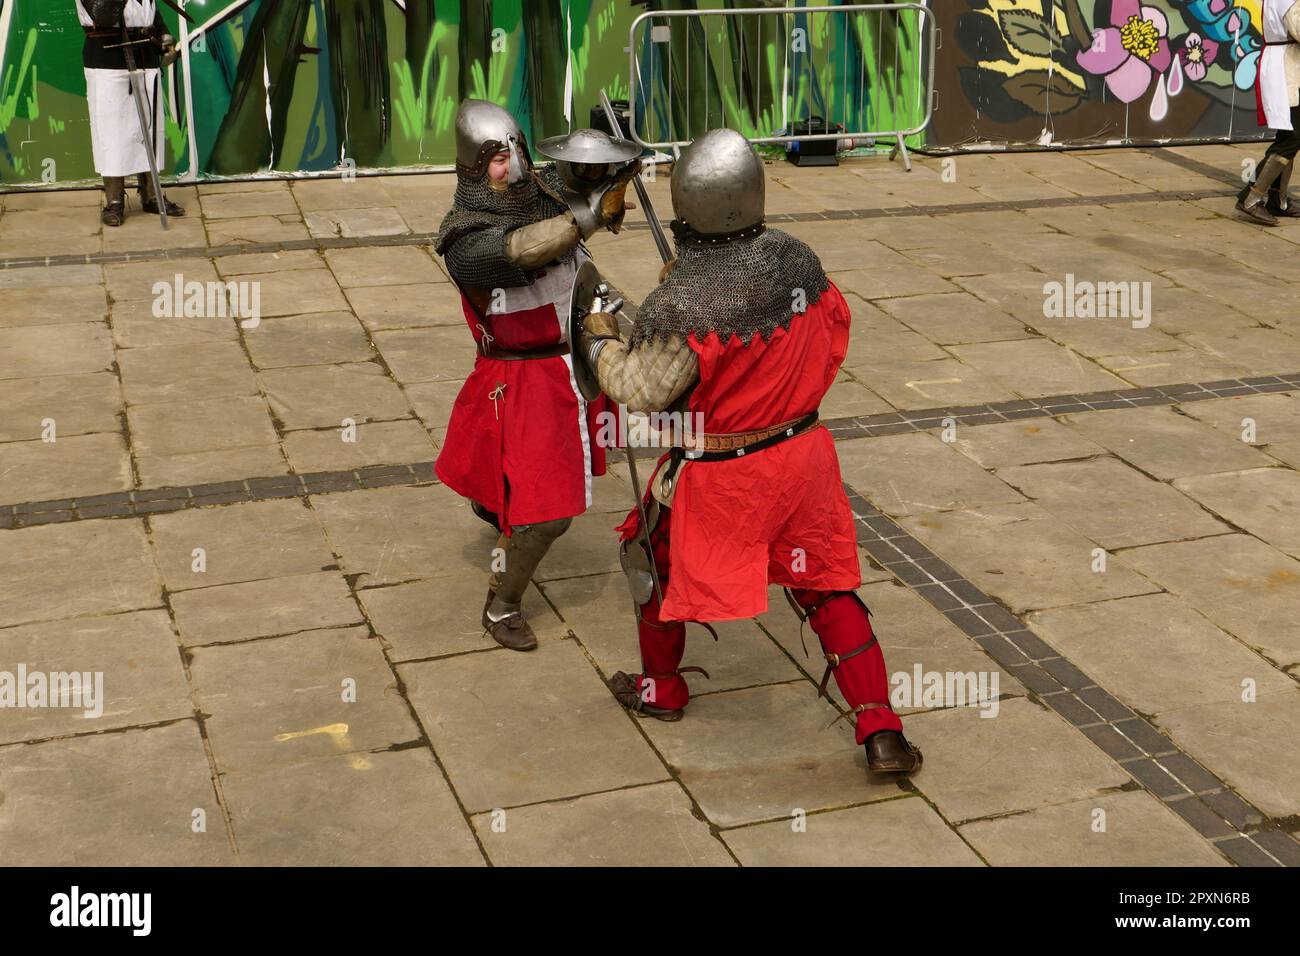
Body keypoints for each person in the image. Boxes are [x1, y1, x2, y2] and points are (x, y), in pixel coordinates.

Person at [577, 129, 922, 774]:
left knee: (647, 560)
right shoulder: (796, 260)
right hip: (804, 460)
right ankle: (882, 732)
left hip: (725, 478)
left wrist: (599, 334)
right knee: (825, 587)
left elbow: (638, 389)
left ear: (687, 207)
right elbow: (830, 330)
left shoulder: (687, 304)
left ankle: (660, 689)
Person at [433, 100, 633, 651]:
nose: (513, 166)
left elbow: (571, 177)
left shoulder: (538, 196)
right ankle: (502, 607)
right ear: (472, 167)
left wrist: (610, 156)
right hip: (520, 385)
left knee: (538, 496)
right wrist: (588, 215)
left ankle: (499, 500)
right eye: (497, 158)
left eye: (516, 151)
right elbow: (523, 250)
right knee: (550, 515)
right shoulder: (464, 235)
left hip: (569, 367)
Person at [77, 0, 184, 226]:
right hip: (108, 61)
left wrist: (163, 38)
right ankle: (114, 202)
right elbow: (103, 15)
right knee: (112, 133)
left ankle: (151, 195)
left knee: (150, 131)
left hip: (145, 57)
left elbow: (150, 14)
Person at [1238, 0, 1300, 224]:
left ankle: (1278, 199)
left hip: (1288, 65)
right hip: (1285, 69)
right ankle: (1252, 197)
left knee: (1289, 135)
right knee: (1292, 138)